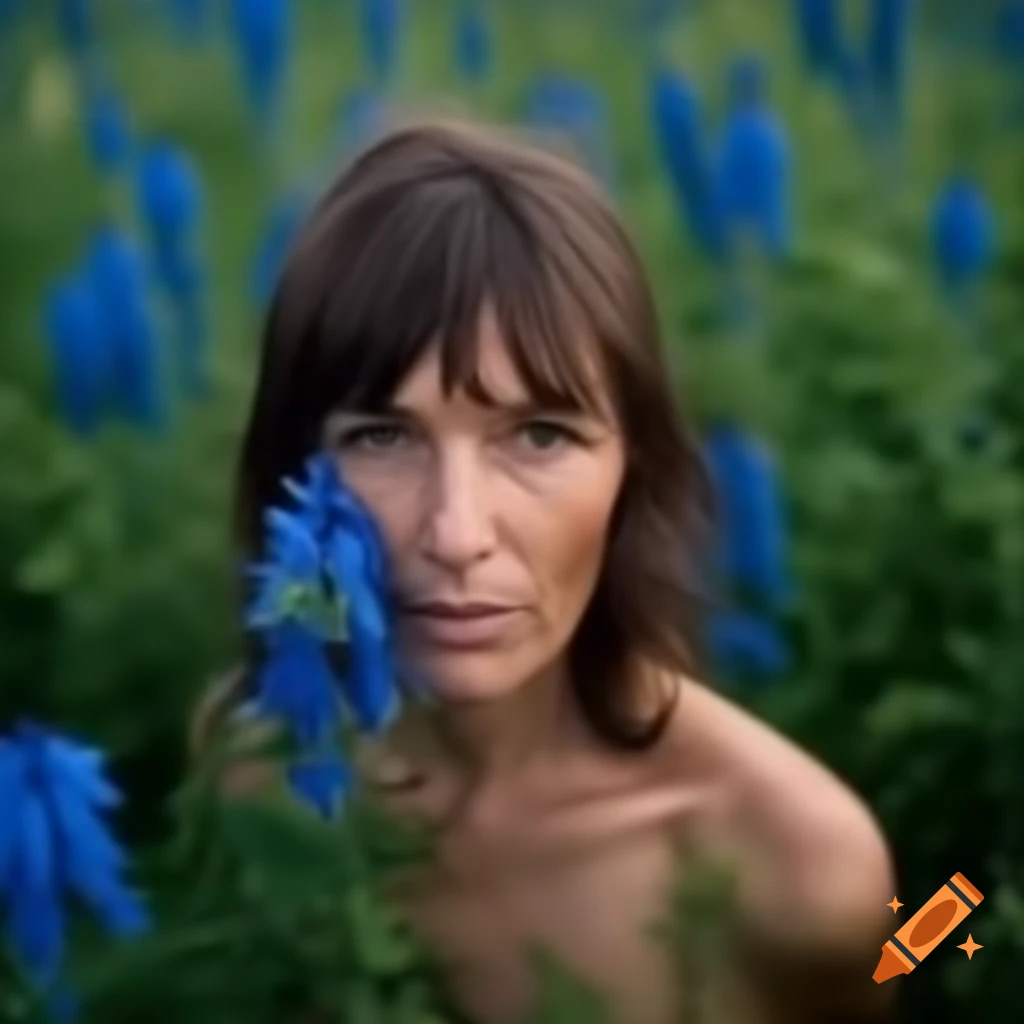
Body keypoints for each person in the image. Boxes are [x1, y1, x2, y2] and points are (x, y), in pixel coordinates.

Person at [204, 118, 896, 1024]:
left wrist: (973, 936)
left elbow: (918, 952)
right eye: (383, 435)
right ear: (294, 471)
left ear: (633, 464)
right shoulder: (252, 768)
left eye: (539, 435)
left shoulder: (805, 860)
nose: (457, 534)